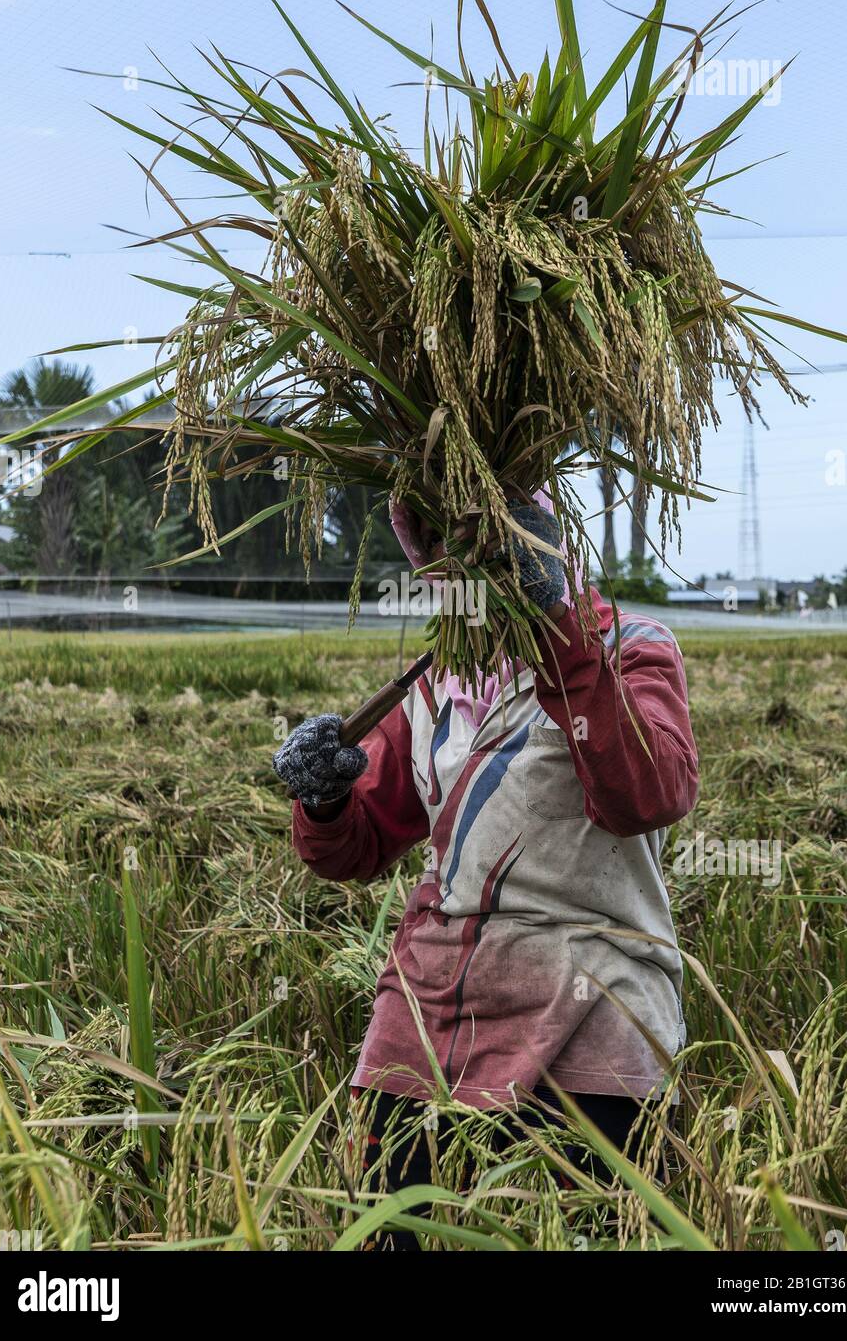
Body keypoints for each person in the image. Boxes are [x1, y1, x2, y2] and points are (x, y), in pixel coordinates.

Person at [274, 496, 699, 1247]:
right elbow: (357, 847)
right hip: (434, 999)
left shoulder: (629, 647)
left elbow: (650, 794)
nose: (460, 563)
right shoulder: (436, 683)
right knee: (389, 1230)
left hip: (594, 989)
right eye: (438, 543)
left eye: (485, 541)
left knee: (605, 1230)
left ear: (537, 540)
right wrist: (325, 798)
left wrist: (557, 627)